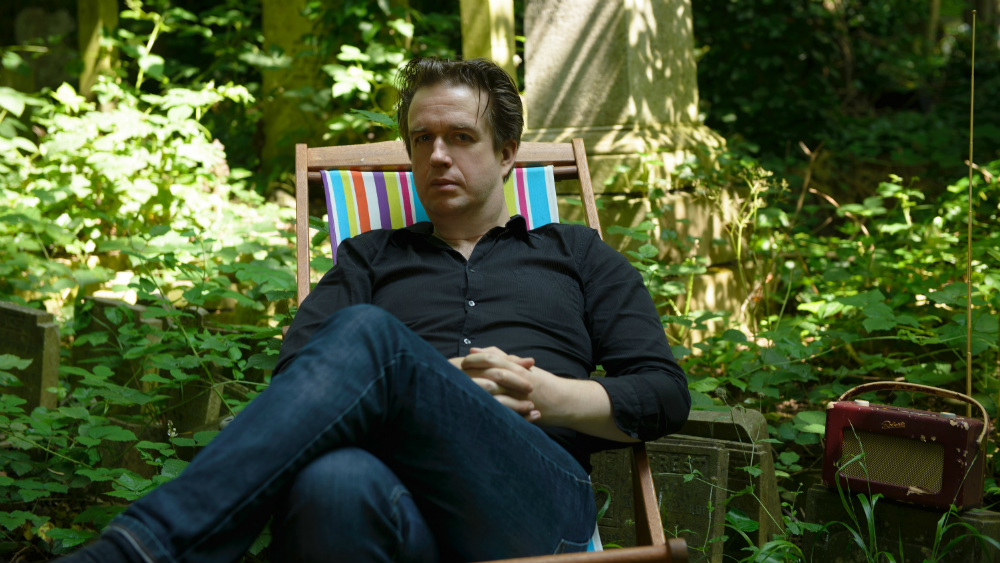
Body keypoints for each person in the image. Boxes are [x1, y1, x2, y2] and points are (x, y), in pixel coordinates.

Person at [58, 57, 690, 563]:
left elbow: (663, 394)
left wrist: (547, 394)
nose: (437, 154)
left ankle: (142, 550)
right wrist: (421, 385)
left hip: (530, 504)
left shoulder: (577, 254)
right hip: (392, 504)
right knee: (331, 484)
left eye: (461, 137)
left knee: (368, 335)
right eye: (422, 139)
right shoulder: (369, 257)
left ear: (505, 153)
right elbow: (301, 379)